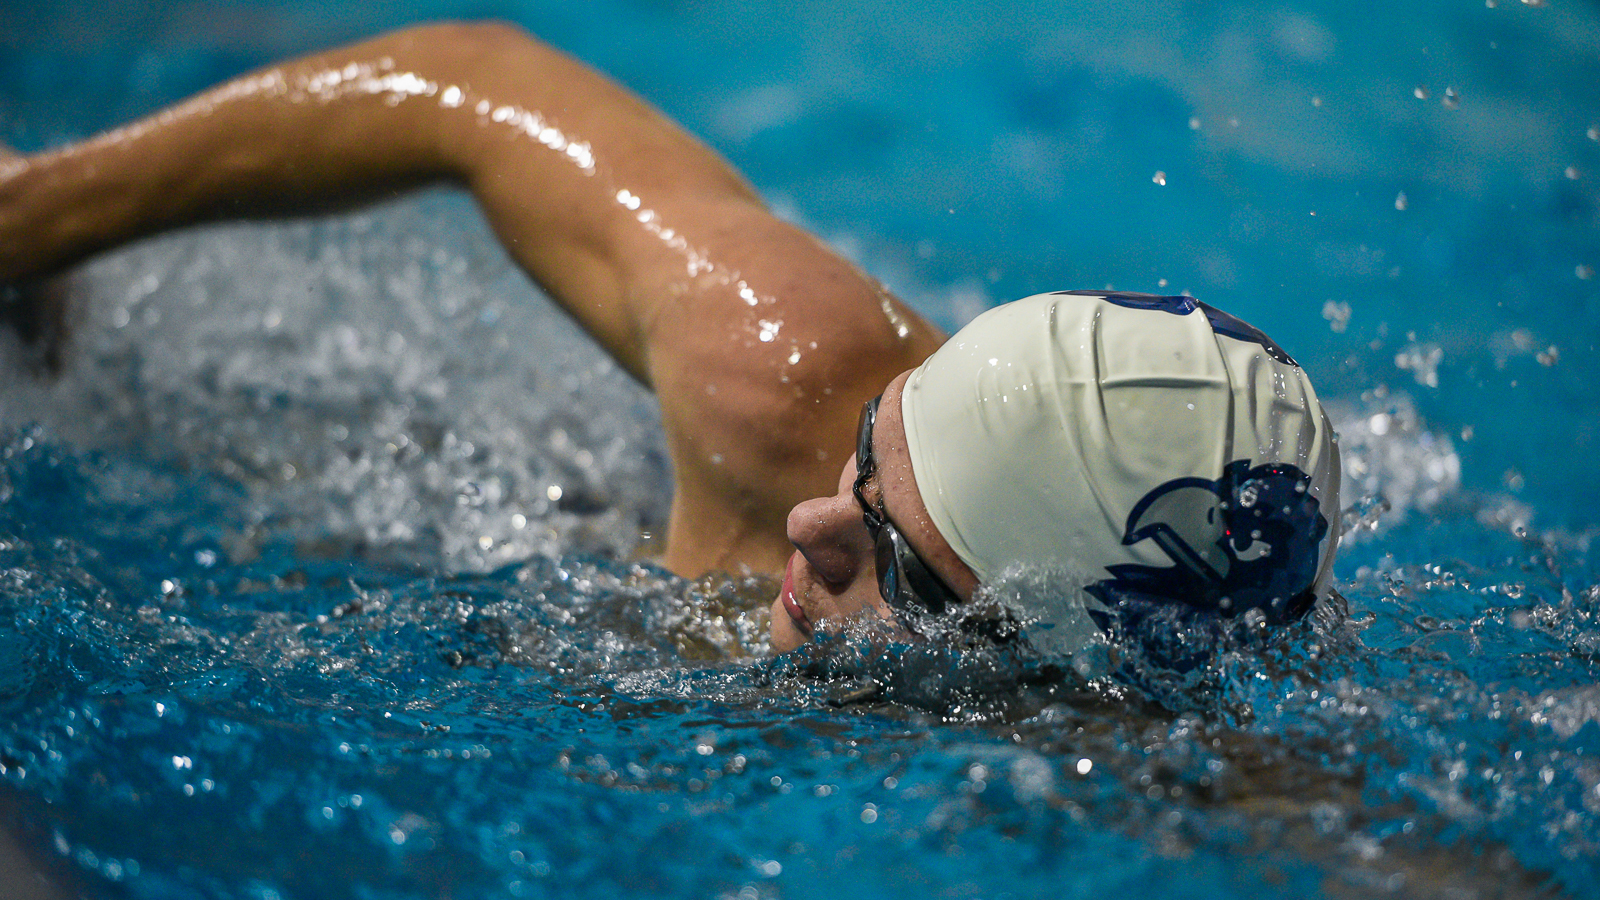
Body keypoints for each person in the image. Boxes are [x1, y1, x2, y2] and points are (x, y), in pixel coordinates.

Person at [0, 22, 1340, 660]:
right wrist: (38, 217)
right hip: (587, 525)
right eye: (874, 457)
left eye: (901, 564)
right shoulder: (783, 375)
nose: (815, 524)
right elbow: (473, 90)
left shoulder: (1169, 749)